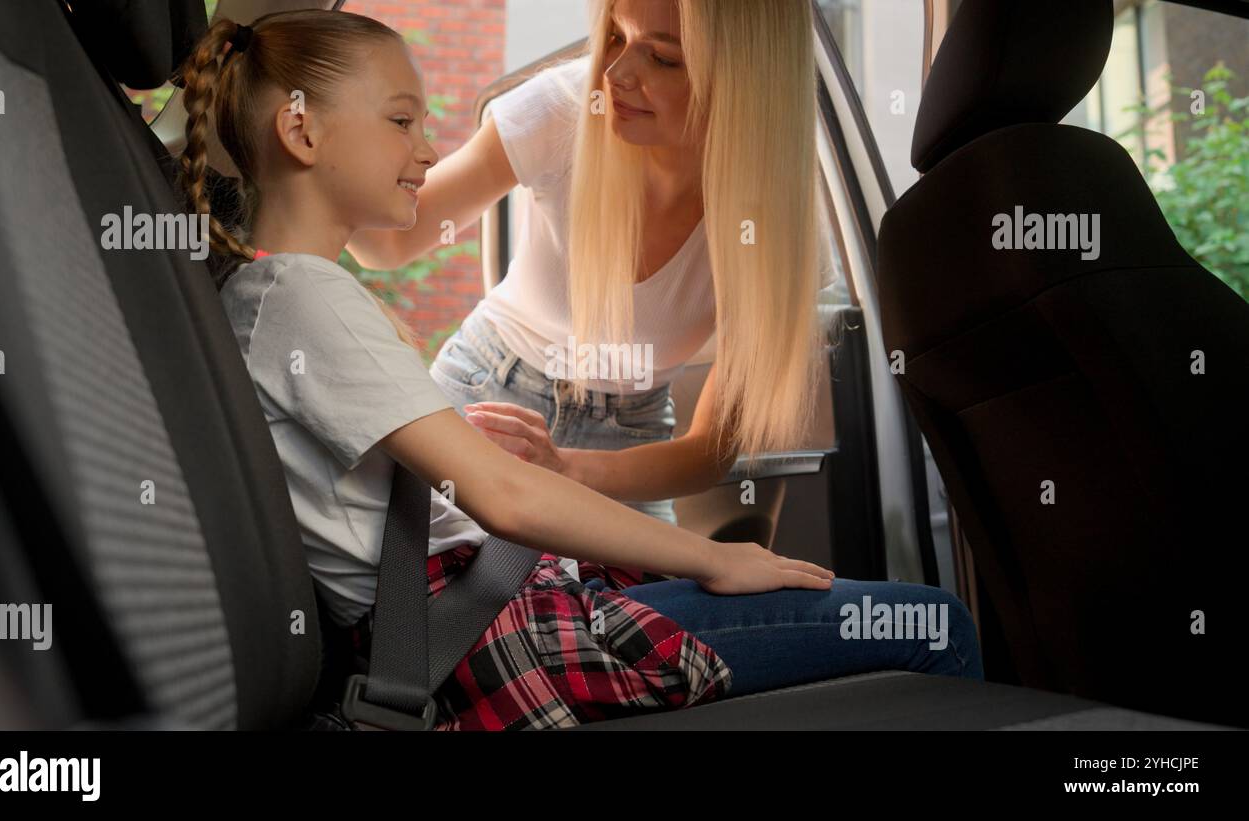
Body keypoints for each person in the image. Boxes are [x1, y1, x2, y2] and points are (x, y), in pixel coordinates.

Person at [183, 9, 983, 730]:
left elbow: (666, 458)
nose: (429, 148)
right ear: (301, 131)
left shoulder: (296, 298)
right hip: (495, 600)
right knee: (935, 626)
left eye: (664, 57)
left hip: (504, 578)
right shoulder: (301, 297)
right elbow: (501, 492)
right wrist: (715, 557)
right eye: (402, 120)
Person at [348, 0, 838, 545]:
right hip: (488, 399)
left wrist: (567, 468)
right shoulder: (563, 108)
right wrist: (330, 147)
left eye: (662, 58)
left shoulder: (777, 219)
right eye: (614, 37)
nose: (616, 73)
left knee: (641, 623)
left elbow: (710, 453)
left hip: (635, 443)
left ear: (747, 79)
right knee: (450, 602)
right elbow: (386, 243)